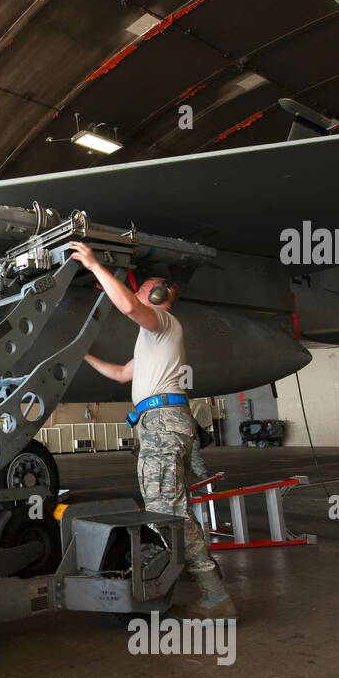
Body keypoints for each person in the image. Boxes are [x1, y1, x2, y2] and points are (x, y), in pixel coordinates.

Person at [69, 241, 235, 620]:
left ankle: (215, 594)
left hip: (162, 423)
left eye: (142, 287)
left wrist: (95, 265)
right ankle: (204, 580)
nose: (137, 292)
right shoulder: (152, 339)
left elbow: (128, 305)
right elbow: (121, 373)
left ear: (156, 294)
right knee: (171, 506)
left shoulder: (162, 322)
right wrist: (83, 354)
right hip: (157, 422)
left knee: (167, 508)